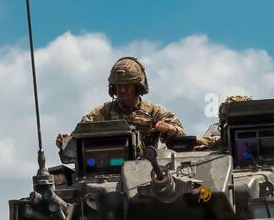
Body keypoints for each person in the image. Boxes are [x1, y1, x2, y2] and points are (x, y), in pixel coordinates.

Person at [55, 57, 183, 152]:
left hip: (148, 168)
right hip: (108, 169)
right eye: (118, 86)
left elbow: (181, 133)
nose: (121, 90)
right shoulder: (104, 112)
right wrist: (66, 140)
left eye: (127, 85)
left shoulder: (154, 112)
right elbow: (81, 132)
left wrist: (171, 129)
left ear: (138, 86)